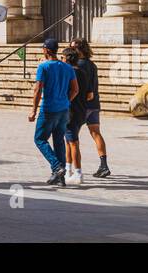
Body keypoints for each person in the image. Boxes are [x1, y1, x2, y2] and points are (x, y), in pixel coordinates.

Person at [28, 39, 78, 186]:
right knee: (59, 141)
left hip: (49, 109)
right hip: (63, 109)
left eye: (43, 48)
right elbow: (75, 89)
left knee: (40, 139)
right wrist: (65, 100)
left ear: (47, 50)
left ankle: (57, 167)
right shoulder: (67, 67)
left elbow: (38, 90)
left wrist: (33, 110)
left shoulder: (43, 67)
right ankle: (60, 178)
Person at [70, 39, 109, 179]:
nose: (71, 50)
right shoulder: (92, 65)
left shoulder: (77, 66)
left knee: (72, 138)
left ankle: (74, 170)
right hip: (94, 104)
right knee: (96, 133)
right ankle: (104, 164)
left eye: (73, 47)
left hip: (81, 106)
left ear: (79, 49)